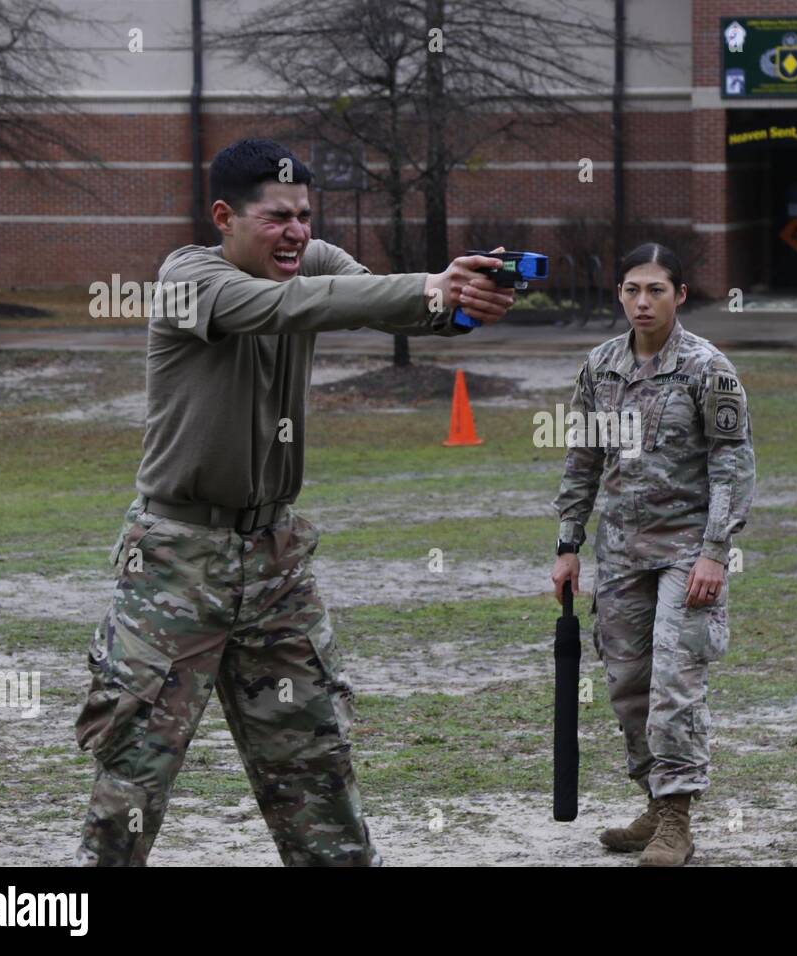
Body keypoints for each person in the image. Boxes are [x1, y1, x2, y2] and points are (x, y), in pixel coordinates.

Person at [73, 138, 515, 866]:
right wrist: (430, 288)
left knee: (314, 763)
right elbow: (298, 306)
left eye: (306, 216)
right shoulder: (189, 279)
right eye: (278, 217)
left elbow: (373, 295)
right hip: (176, 565)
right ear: (225, 217)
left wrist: (459, 298)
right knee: (134, 776)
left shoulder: (308, 263)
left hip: (275, 560)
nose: (298, 233)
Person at [551, 242, 756, 866]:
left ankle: (676, 820)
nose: (643, 301)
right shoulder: (601, 366)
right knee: (627, 684)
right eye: (632, 289)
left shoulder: (706, 368)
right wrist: (568, 543)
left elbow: (733, 461)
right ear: (619, 293)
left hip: (685, 552)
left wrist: (716, 553)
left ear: (680, 295)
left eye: (657, 290)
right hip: (619, 554)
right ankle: (652, 799)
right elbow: (583, 459)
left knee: (674, 682)